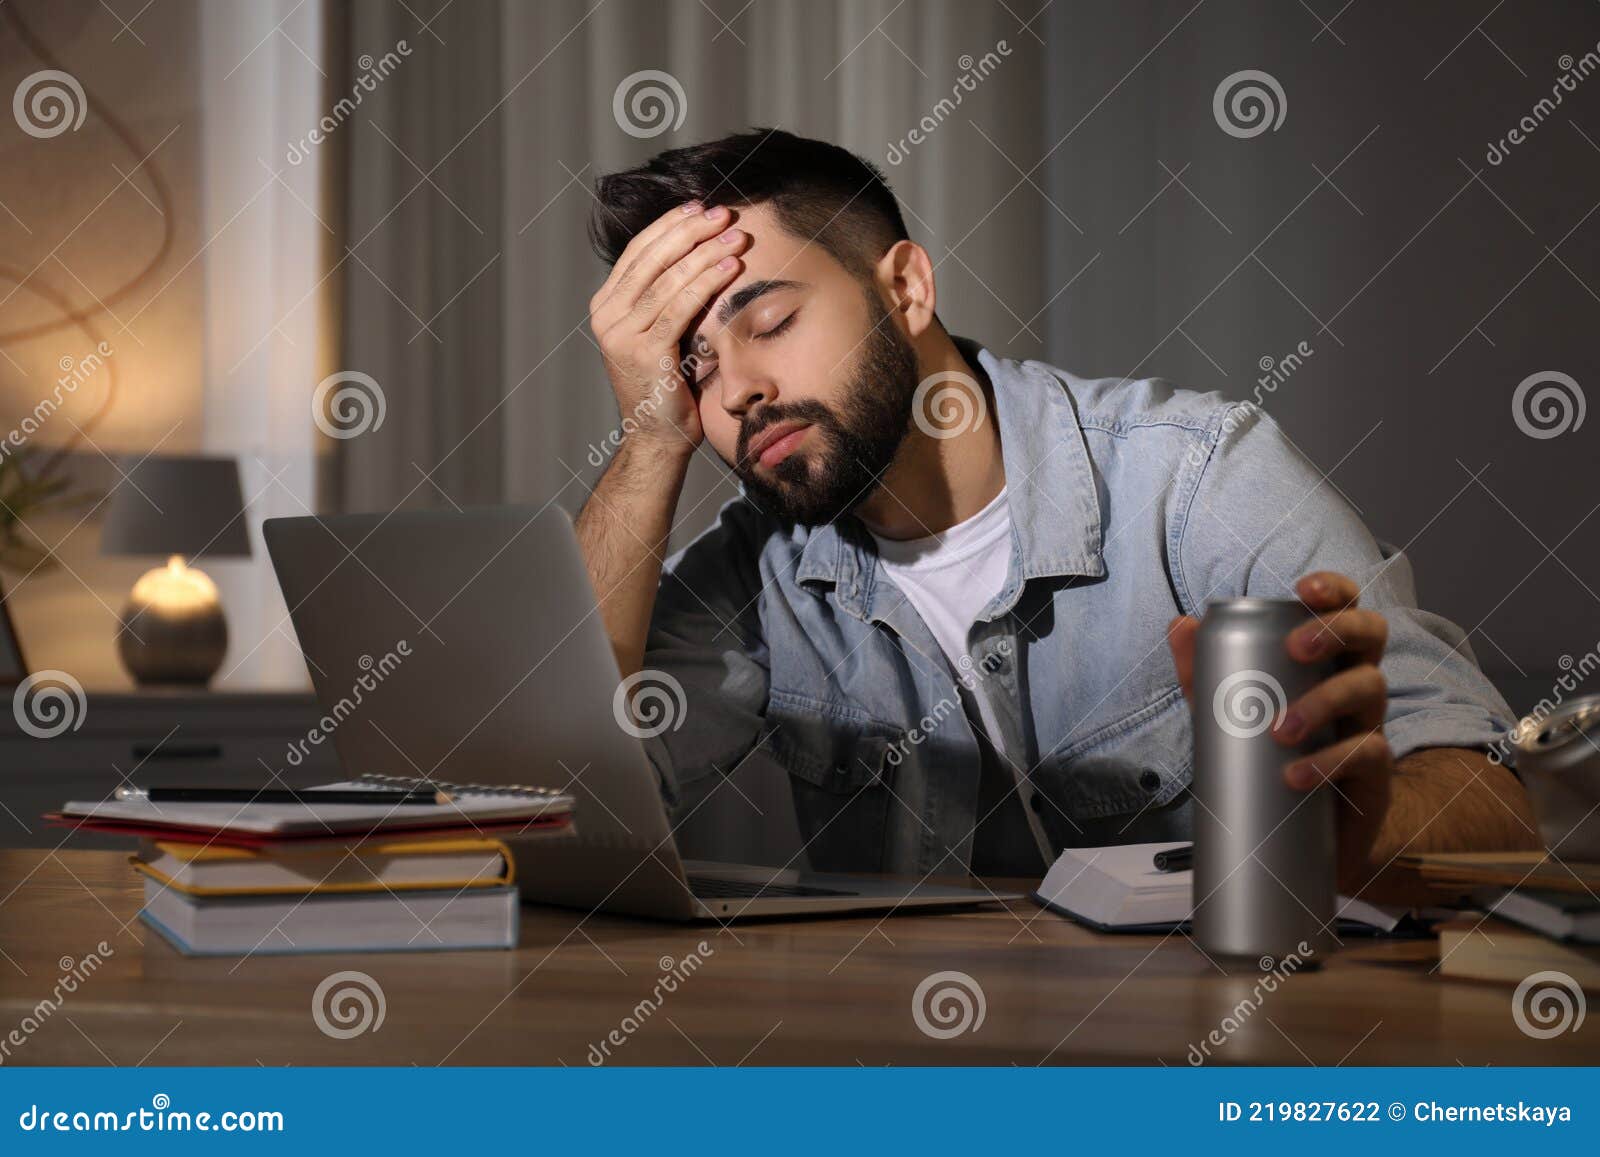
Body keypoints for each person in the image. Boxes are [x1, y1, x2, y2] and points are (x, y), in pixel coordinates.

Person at [575, 128, 1538, 893]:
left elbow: (1491, 801)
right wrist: (653, 440)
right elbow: (568, 797)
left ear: (906, 286)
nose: (735, 388)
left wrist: (1364, 829)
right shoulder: (762, 562)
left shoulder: (1197, 477)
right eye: (692, 364)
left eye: (770, 321)